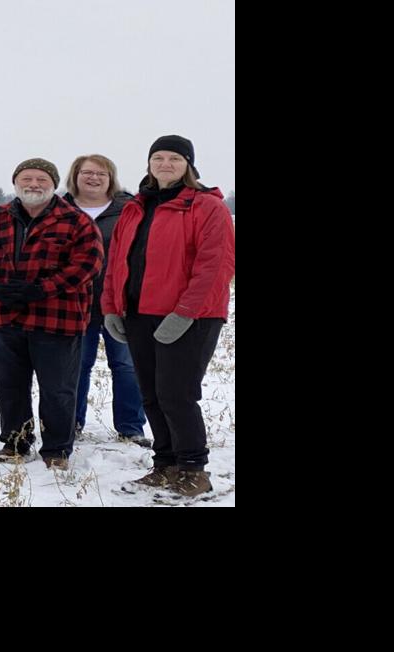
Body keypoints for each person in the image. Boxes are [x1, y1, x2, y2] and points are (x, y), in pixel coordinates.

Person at [100, 135, 236, 497]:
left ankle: (194, 469)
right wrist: (111, 307)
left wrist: (185, 313)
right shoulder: (135, 207)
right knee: (151, 394)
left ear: (188, 165)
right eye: (158, 157)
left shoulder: (206, 207)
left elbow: (215, 266)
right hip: (138, 313)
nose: (165, 164)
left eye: (174, 158)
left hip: (190, 317)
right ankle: (165, 464)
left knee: (176, 394)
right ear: (149, 164)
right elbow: (116, 262)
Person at [0, 157, 103, 469]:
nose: (34, 185)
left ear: (54, 184)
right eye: (27, 179)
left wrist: (43, 289)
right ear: (16, 183)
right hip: (4, 317)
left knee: (58, 389)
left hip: (56, 318)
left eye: (42, 180)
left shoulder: (76, 221)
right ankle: (15, 443)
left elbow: (87, 264)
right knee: (9, 386)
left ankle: (56, 450)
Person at [61, 154, 146, 445]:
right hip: (74, 303)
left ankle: (131, 427)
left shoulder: (129, 209)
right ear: (75, 176)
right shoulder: (60, 209)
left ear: (111, 179)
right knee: (76, 366)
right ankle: (71, 423)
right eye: (87, 173)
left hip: (120, 302)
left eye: (101, 174)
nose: (94, 178)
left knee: (126, 366)